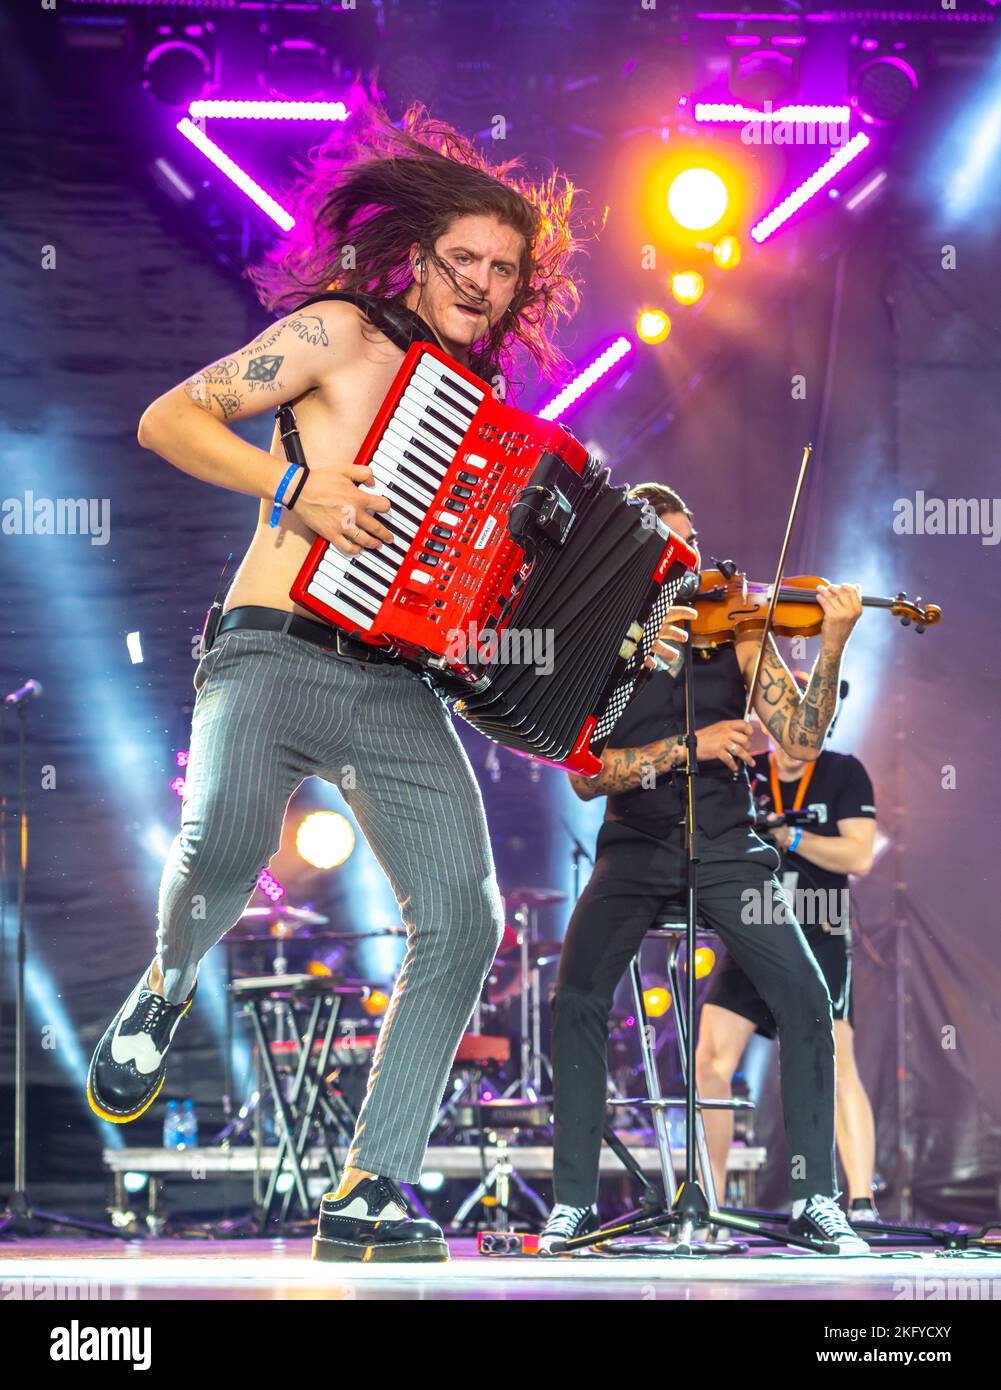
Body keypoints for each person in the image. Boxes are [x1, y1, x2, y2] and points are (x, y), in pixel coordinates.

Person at [86, 102, 581, 1262]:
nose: (478, 280)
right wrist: (287, 486)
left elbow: (462, 571)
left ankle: (367, 1191)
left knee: (464, 917)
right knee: (224, 842)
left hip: (392, 683)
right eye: (462, 257)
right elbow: (169, 418)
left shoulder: (483, 415)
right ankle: (163, 983)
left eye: (502, 269)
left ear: (519, 290)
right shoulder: (335, 334)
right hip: (269, 643)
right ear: (417, 255)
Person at [540, 483, 870, 1255]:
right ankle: (573, 1204)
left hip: (727, 844)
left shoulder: (738, 630)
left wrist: (832, 643)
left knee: (805, 998)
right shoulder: (600, 641)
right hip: (634, 844)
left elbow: (800, 736)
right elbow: (585, 776)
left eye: (696, 550)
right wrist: (689, 748)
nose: (695, 571)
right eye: (674, 553)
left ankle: (818, 1201)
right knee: (577, 995)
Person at [697, 702, 880, 1220]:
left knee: (837, 1062)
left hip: (819, 929)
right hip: (752, 929)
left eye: (813, 723)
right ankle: (708, 1202)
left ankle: (861, 1201)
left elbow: (859, 857)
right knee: (708, 1062)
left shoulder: (844, 771)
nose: (801, 732)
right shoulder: (746, 769)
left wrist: (790, 836)